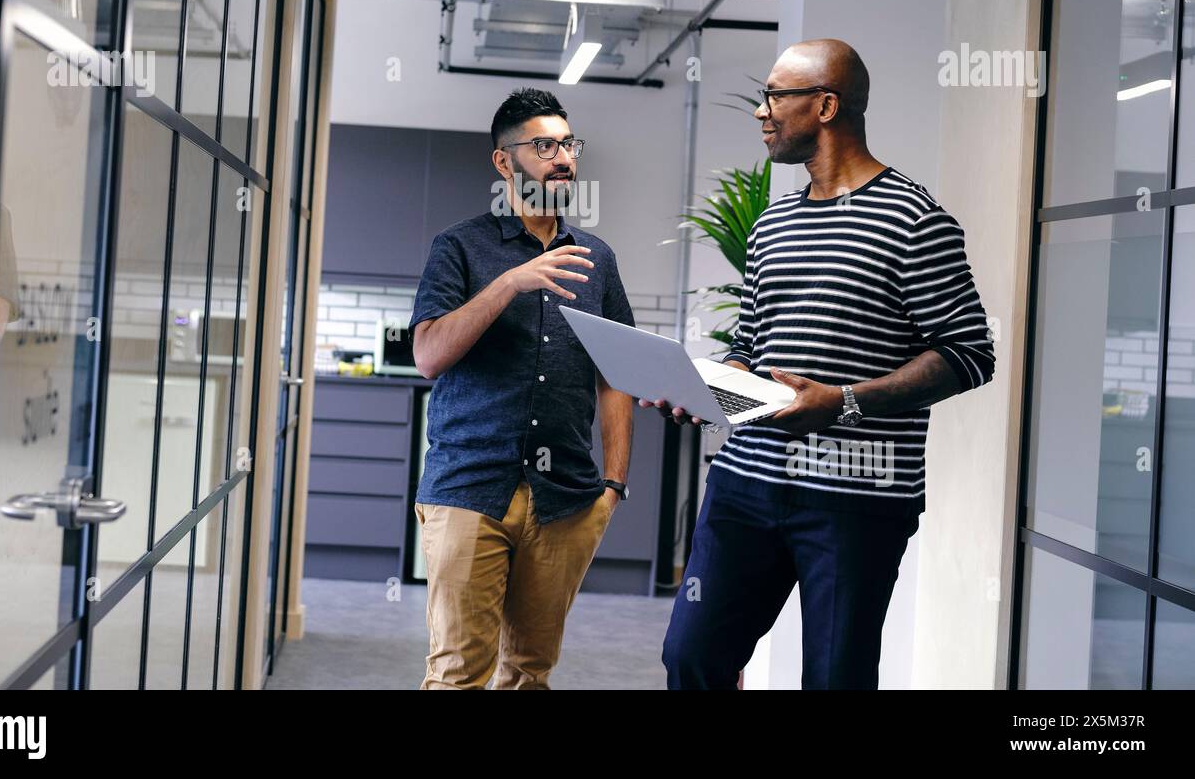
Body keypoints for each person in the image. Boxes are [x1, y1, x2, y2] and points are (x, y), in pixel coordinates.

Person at [649, 39, 996, 690]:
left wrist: (843, 401)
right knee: (691, 657)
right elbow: (752, 344)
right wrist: (706, 387)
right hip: (745, 484)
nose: (762, 111)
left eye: (776, 95)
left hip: (856, 499)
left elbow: (967, 354)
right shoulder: (773, 223)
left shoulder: (916, 220)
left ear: (827, 105)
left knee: (836, 678)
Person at [409, 87, 634, 689]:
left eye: (567, 144)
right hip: (468, 488)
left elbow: (618, 375)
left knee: (530, 673)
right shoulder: (458, 247)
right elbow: (428, 355)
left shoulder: (597, 258)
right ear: (504, 162)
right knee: (458, 671)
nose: (562, 158)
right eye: (544, 146)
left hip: (565, 497)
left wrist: (613, 484)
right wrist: (509, 283)